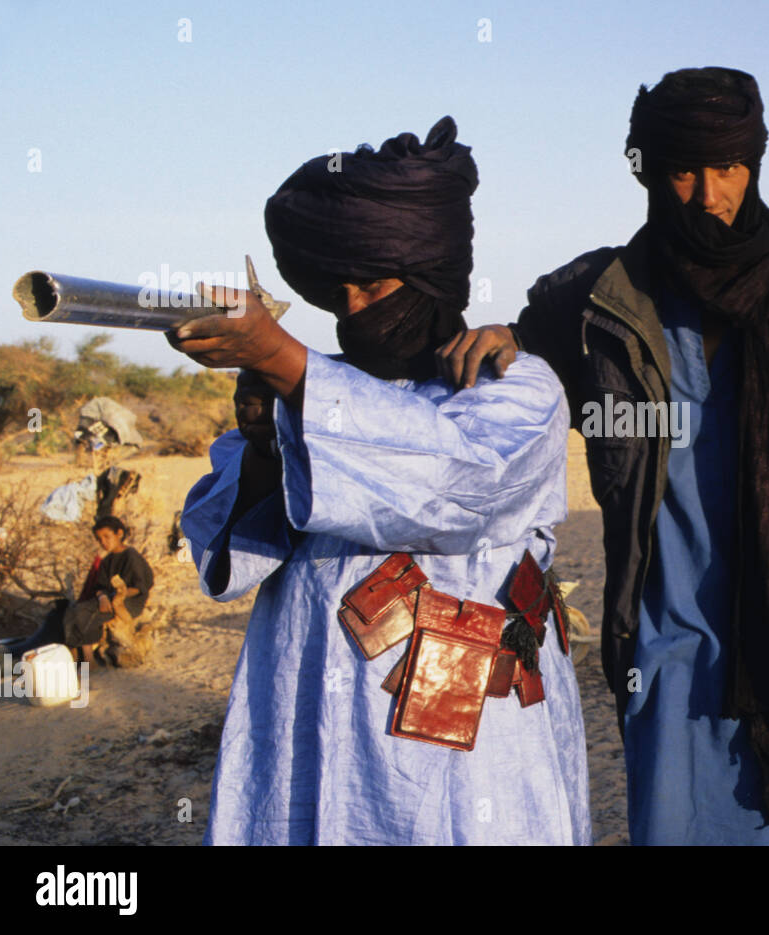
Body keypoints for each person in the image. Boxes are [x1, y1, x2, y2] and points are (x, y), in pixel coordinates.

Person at [439, 67, 769, 844]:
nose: (709, 194)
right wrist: (504, 336)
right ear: (648, 170)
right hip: (670, 657)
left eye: (729, 167)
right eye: (684, 170)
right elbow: (510, 363)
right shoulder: (594, 300)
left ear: (756, 163)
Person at [173, 118, 589, 845]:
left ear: (431, 274)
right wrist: (268, 434)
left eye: (374, 281)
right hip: (308, 706)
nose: (357, 307)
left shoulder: (512, 387)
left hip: (463, 743)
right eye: (341, 290)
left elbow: (455, 487)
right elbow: (224, 545)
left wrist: (290, 365)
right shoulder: (310, 394)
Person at [61, 515, 154, 664]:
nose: (103, 542)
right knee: (76, 610)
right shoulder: (107, 560)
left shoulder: (131, 556)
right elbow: (100, 586)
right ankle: (79, 655)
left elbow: (141, 586)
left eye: (106, 537)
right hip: (109, 599)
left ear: (119, 534)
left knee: (85, 614)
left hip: (129, 603)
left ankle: (88, 660)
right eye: (99, 539)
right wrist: (103, 597)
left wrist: (120, 595)